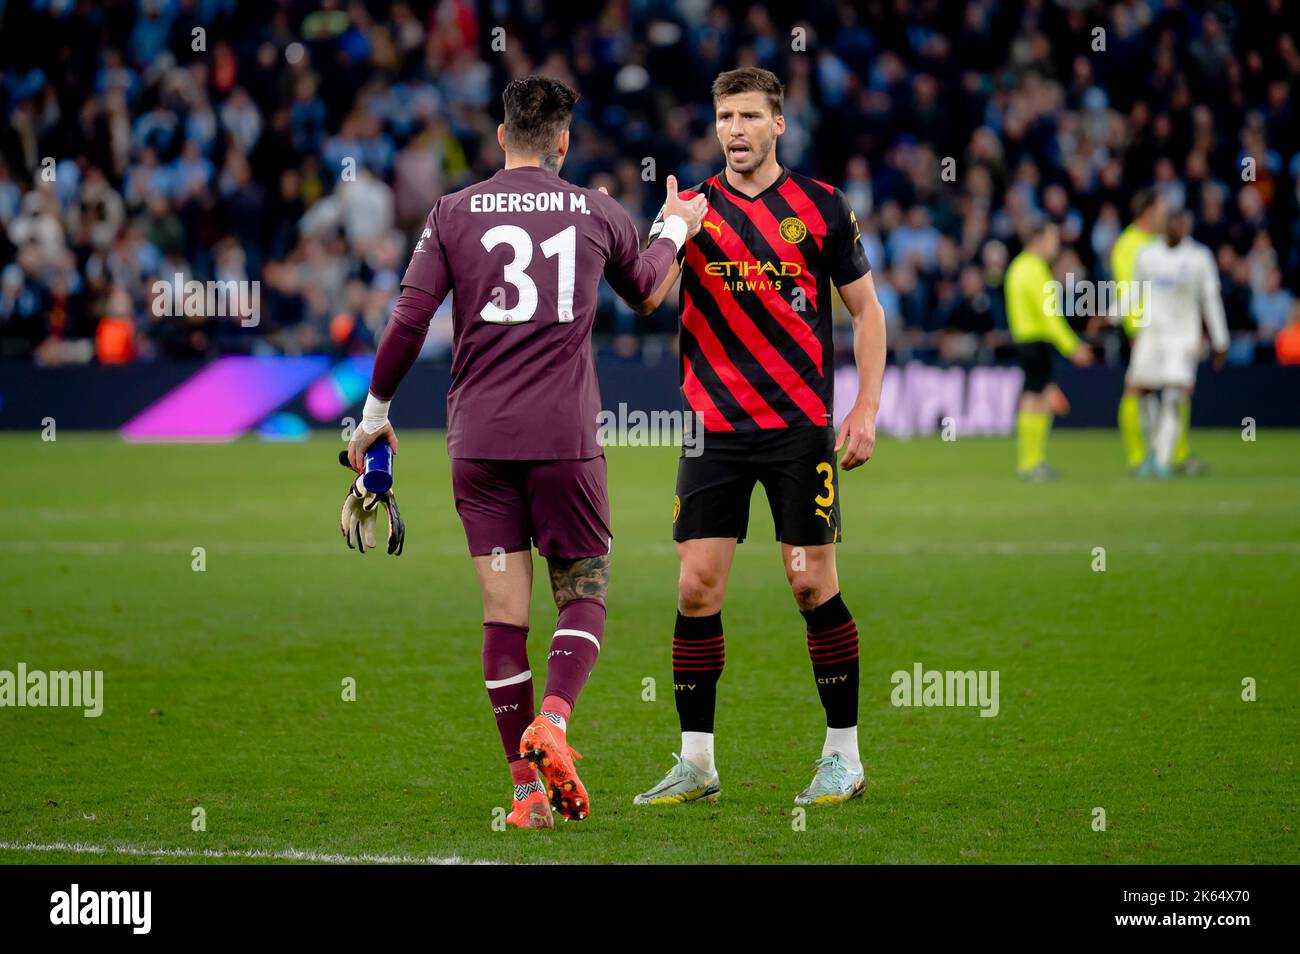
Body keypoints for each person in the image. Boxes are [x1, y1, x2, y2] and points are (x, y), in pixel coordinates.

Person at [344, 75, 706, 829]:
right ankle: (556, 720)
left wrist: (375, 414)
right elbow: (645, 292)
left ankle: (526, 796)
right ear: (564, 143)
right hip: (563, 441)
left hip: (478, 443)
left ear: (502, 136)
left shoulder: (452, 212)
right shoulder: (597, 209)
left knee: (504, 616)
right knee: (585, 590)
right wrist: (674, 226)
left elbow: (410, 318)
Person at [630, 67, 888, 807]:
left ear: (778, 124)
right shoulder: (692, 208)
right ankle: (697, 765)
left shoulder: (822, 207)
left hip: (797, 431)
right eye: (723, 117)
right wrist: (670, 228)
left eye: (748, 116)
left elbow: (868, 313)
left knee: (810, 583)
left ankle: (844, 757)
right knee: (696, 586)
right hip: (713, 428)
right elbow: (649, 296)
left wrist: (865, 408)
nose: (735, 130)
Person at [1127, 210, 1228, 477]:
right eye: (1171, 222)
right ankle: (1153, 450)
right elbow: (1134, 290)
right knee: (1141, 392)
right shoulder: (1147, 254)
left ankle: (1163, 459)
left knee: (1174, 395)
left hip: (1183, 338)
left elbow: (1211, 299)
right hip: (1150, 334)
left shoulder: (1199, 257)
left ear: (1187, 227)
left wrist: (1220, 340)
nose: (1175, 227)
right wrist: (1112, 314)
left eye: (1180, 223)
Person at [1005, 221, 1094, 480]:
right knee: (1037, 400)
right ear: (1039, 239)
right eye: (1052, 239)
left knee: (1035, 397)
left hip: (1025, 340)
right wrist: (1072, 346)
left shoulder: (1018, 267)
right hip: (1037, 341)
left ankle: (1031, 461)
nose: (1056, 246)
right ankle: (1031, 462)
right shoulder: (1033, 269)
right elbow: (1050, 315)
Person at [1111, 189, 1168, 473]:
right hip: (1143, 330)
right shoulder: (1129, 244)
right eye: (1161, 210)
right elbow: (1129, 289)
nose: (1166, 216)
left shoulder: (1159, 242)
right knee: (1136, 389)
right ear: (1147, 212)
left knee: (1176, 389)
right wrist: (1135, 331)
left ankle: (1172, 455)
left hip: (1167, 328)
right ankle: (1137, 457)